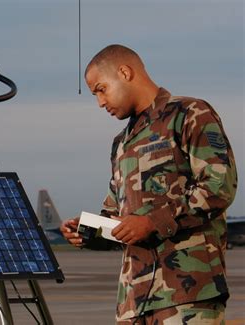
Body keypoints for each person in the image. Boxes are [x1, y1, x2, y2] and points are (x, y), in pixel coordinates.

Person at [60, 44, 237, 324]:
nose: (100, 102)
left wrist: (153, 222)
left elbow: (219, 187)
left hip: (187, 294)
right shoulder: (122, 143)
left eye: (101, 89)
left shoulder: (190, 114)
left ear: (125, 72)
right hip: (134, 301)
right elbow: (115, 217)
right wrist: (88, 233)